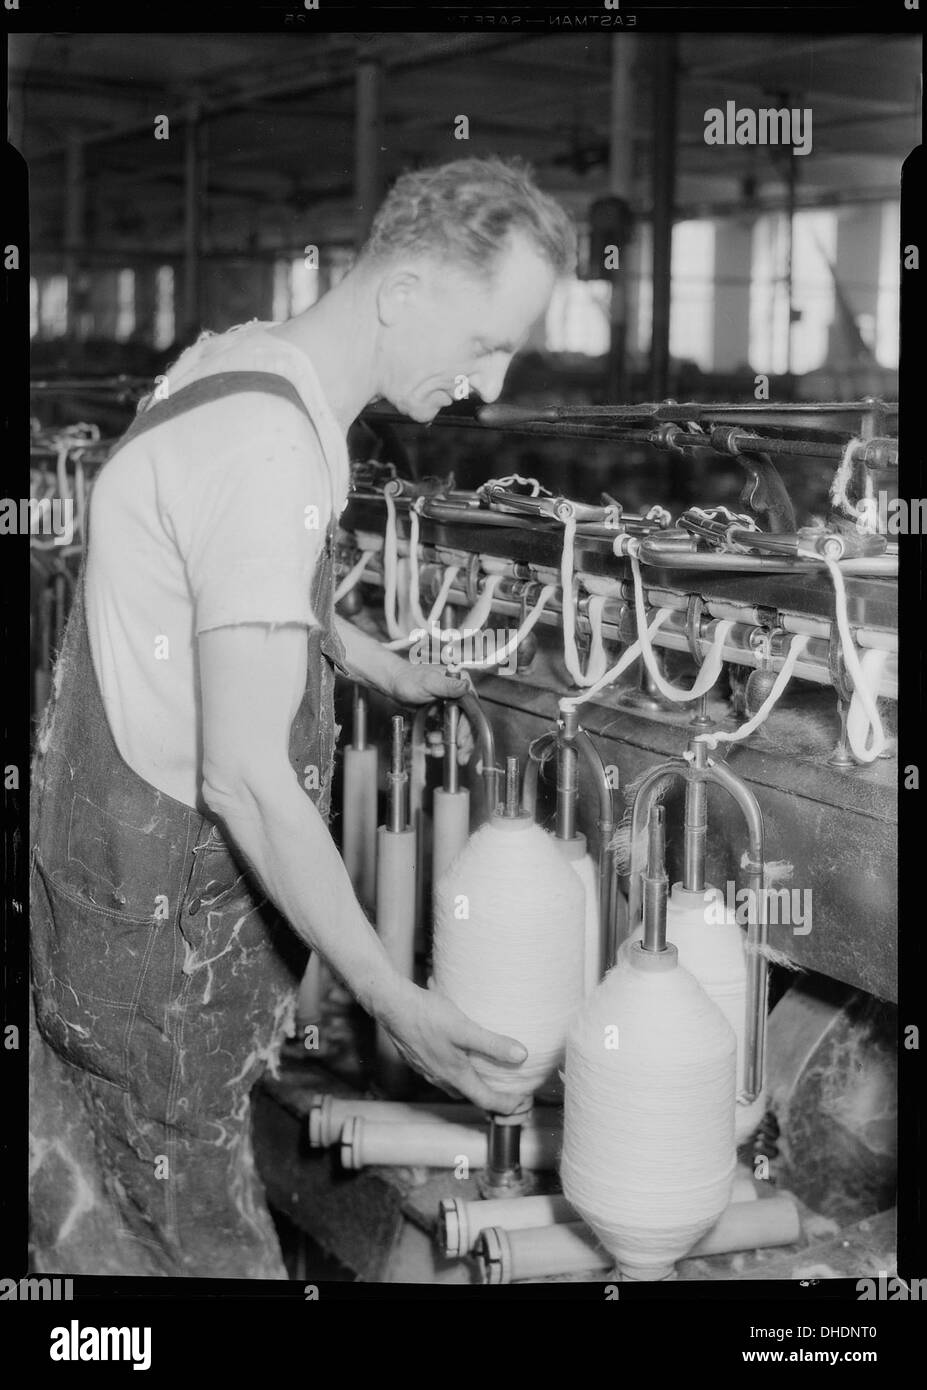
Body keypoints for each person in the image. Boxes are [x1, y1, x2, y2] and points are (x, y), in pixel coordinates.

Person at [29, 157, 577, 1277]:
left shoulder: (245, 364)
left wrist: (353, 651)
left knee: (98, 1210)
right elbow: (244, 778)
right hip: (157, 940)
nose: (493, 384)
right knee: (193, 1243)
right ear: (404, 291)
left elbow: (213, 559)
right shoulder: (272, 448)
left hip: (104, 885)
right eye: (485, 342)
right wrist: (390, 995)